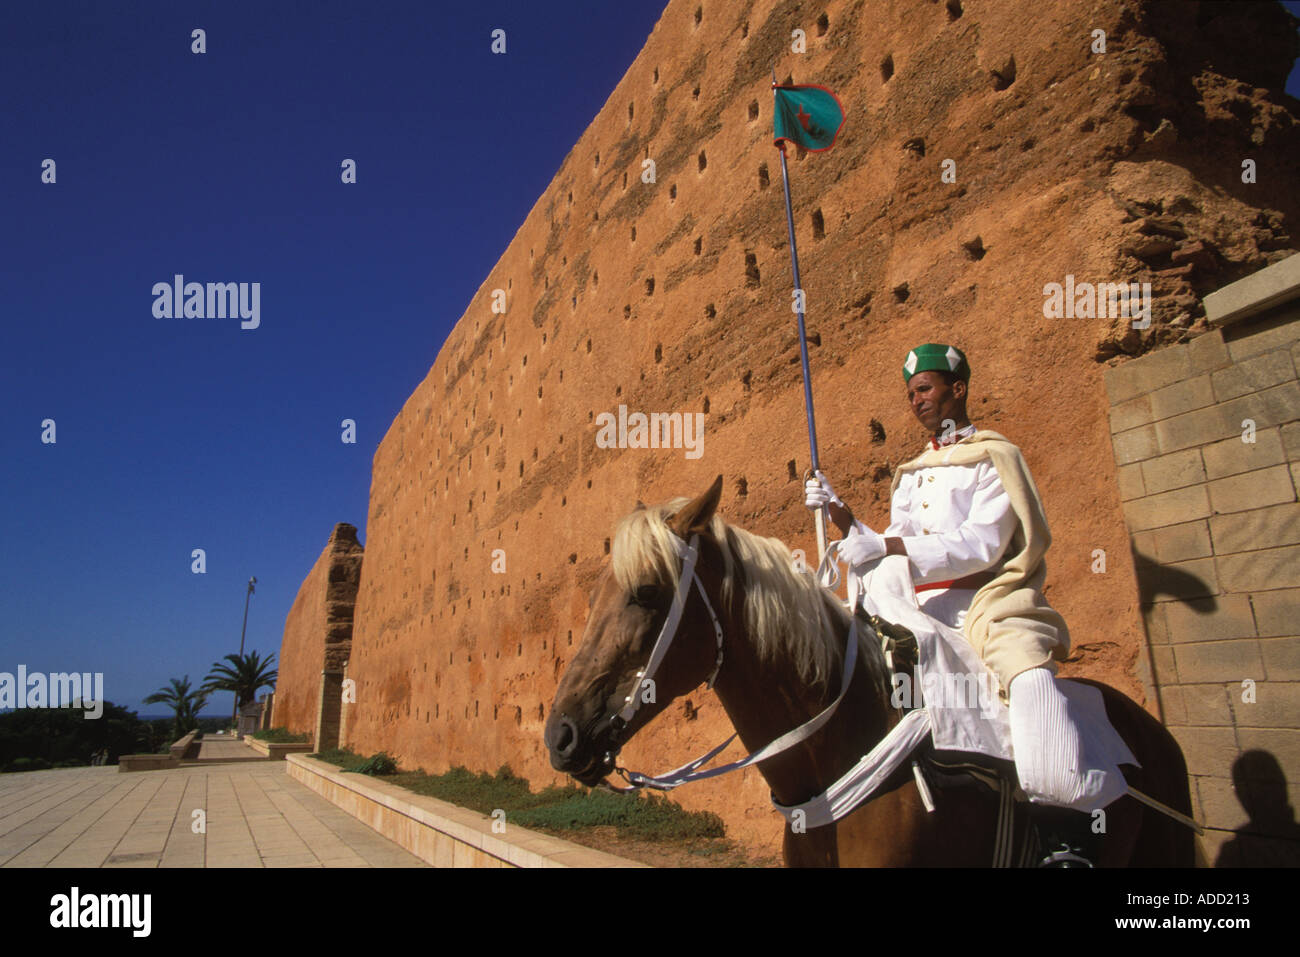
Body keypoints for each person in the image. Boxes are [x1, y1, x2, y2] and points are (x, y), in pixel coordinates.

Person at [804, 342, 1103, 867]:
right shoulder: (912, 473)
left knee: (1031, 683)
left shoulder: (994, 458)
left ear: (957, 389)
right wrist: (840, 512)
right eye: (910, 394)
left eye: (925, 389)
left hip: (989, 604)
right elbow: (893, 543)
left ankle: (1064, 837)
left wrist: (888, 546)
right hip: (917, 610)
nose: (916, 401)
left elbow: (979, 545)